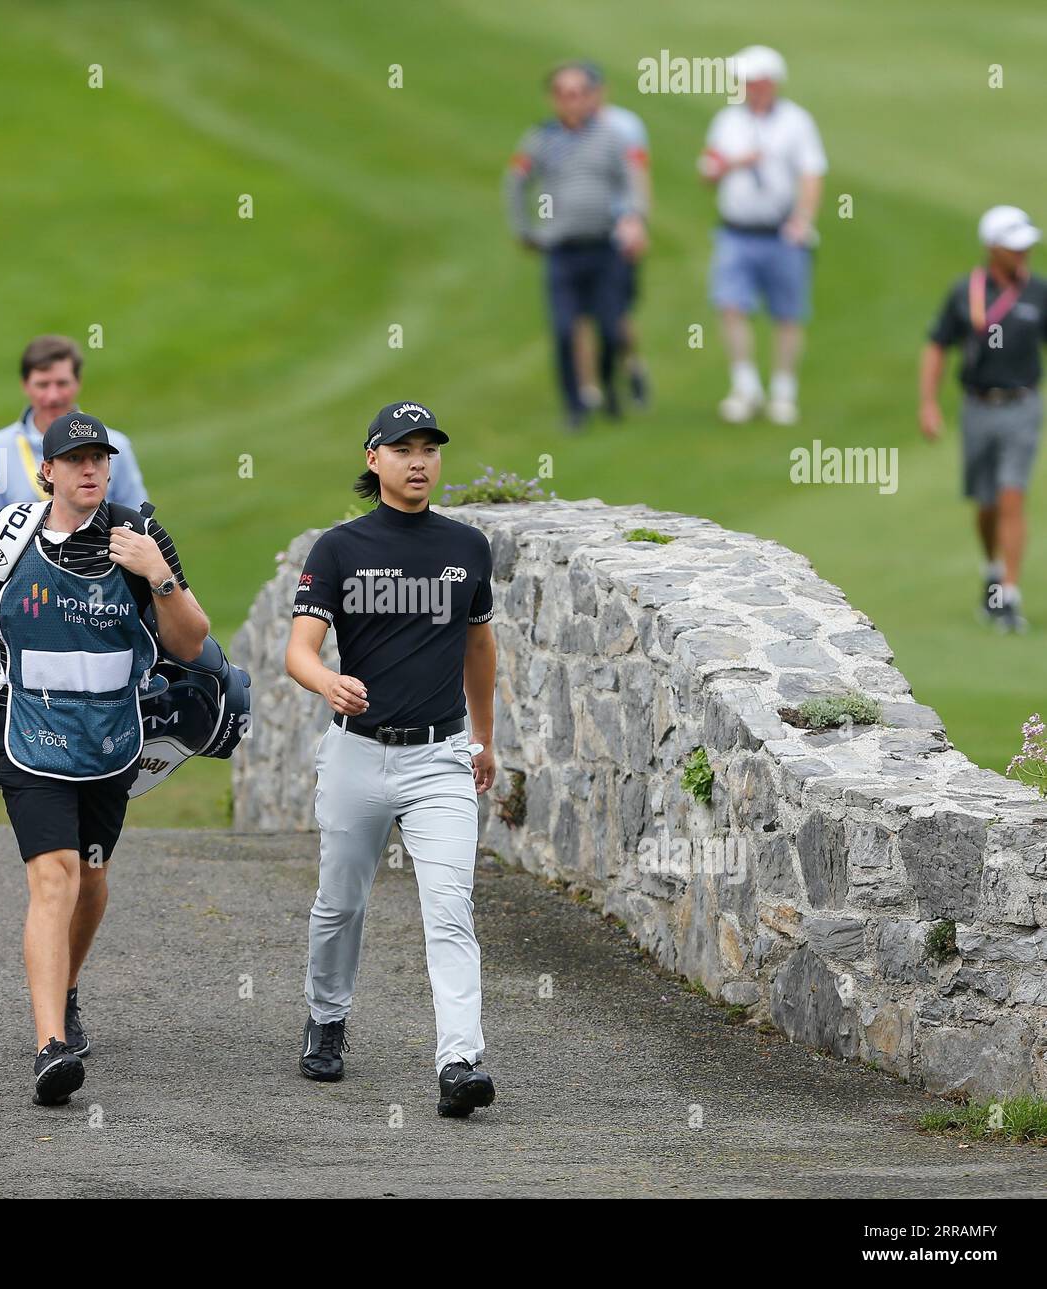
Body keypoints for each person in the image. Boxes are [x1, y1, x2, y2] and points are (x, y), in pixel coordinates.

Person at [0, 413, 209, 1106]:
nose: (91, 469)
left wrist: (158, 576)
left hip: (110, 745)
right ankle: (50, 1046)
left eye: (100, 457)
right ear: (49, 471)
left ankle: (65, 988)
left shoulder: (141, 537)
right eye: (76, 459)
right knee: (53, 877)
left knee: (92, 877)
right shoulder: (5, 537)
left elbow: (190, 641)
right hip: (29, 740)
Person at [285, 400, 499, 1119]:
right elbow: (299, 651)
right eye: (403, 448)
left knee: (450, 909)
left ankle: (459, 1059)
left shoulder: (468, 546)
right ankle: (327, 1014)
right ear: (372, 459)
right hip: (356, 755)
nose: (419, 460)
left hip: (439, 755)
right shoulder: (337, 549)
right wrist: (327, 682)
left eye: (430, 448)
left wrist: (486, 738)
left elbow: (479, 646)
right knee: (340, 902)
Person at [920, 206, 1047, 632]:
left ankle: (1009, 594)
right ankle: (993, 570)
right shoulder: (965, 293)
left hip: (1023, 406)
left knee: (1012, 494)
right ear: (993, 248)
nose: (1024, 253)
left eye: (1026, 245)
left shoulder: (1038, 293)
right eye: (1015, 247)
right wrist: (929, 404)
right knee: (986, 502)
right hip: (977, 407)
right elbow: (937, 345)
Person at [505, 62, 649, 431]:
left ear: (592, 96)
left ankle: (609, 384)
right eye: (565, 94)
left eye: (580, 93)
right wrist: (525, 230)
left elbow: (632, 179)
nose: (573, 101)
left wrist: (633, 218)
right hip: (562, 250)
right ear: (555, 99)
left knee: (612, 328)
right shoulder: (542, 139)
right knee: (566, 329)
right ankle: (575, 407)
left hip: (605, 247)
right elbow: (517, 180)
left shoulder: (613, 137)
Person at [699, 45, 826, 426]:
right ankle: (745, 385)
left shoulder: (796, 122)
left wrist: (803, 219)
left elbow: (811, 173)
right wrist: (737, 162)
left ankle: (783, 391)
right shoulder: (728, 121)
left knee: (788, 314)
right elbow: (708, 170)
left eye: (754, 82)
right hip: (736, 231)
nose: (749, 88)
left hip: (781, 232)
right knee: (731, 306)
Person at [0, 335, 147, 554]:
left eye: (62, 383)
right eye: (42, 384)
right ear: (25, 386)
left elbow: (140, 527)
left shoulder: (115, 445)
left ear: (78, 383)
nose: (53, 396)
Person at [575, 68, 653, 409]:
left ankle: (631, 364)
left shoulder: (624, 127)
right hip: (578, 233)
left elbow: (639, 176)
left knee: (615, 313)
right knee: (578, 314)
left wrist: (638, 221)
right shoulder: (564, 130)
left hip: (618, 232)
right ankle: (588, 388)